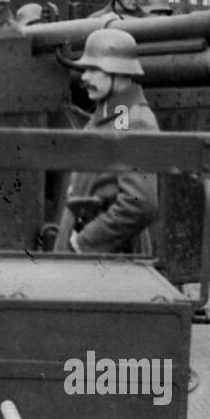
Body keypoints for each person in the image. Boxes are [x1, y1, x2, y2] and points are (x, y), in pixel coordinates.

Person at [54, 28, 160, 255]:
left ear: (119, 72)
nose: (84, 77)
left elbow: (139, 203)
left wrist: (84, 243)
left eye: (94, 69)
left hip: (107, 259)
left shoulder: (135, 121)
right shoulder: (111, 112)